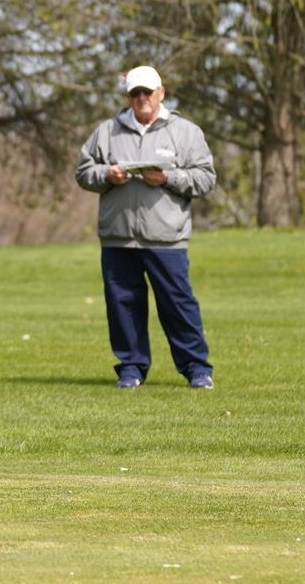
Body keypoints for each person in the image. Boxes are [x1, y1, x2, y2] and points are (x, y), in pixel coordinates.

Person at [75, 65, 217, 390]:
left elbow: (206, 178)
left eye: (147, 93)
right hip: (118, 239)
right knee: (123, 306)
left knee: (178, 306)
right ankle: (131, 368)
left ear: (161, 93)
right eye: (135, 93)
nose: (141, 99)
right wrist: (106, 176)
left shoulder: (185, 132)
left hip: (166, 239)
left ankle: (197, 369)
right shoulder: (107, 132)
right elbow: (84, 172)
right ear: (128, 96)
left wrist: (168, 178)